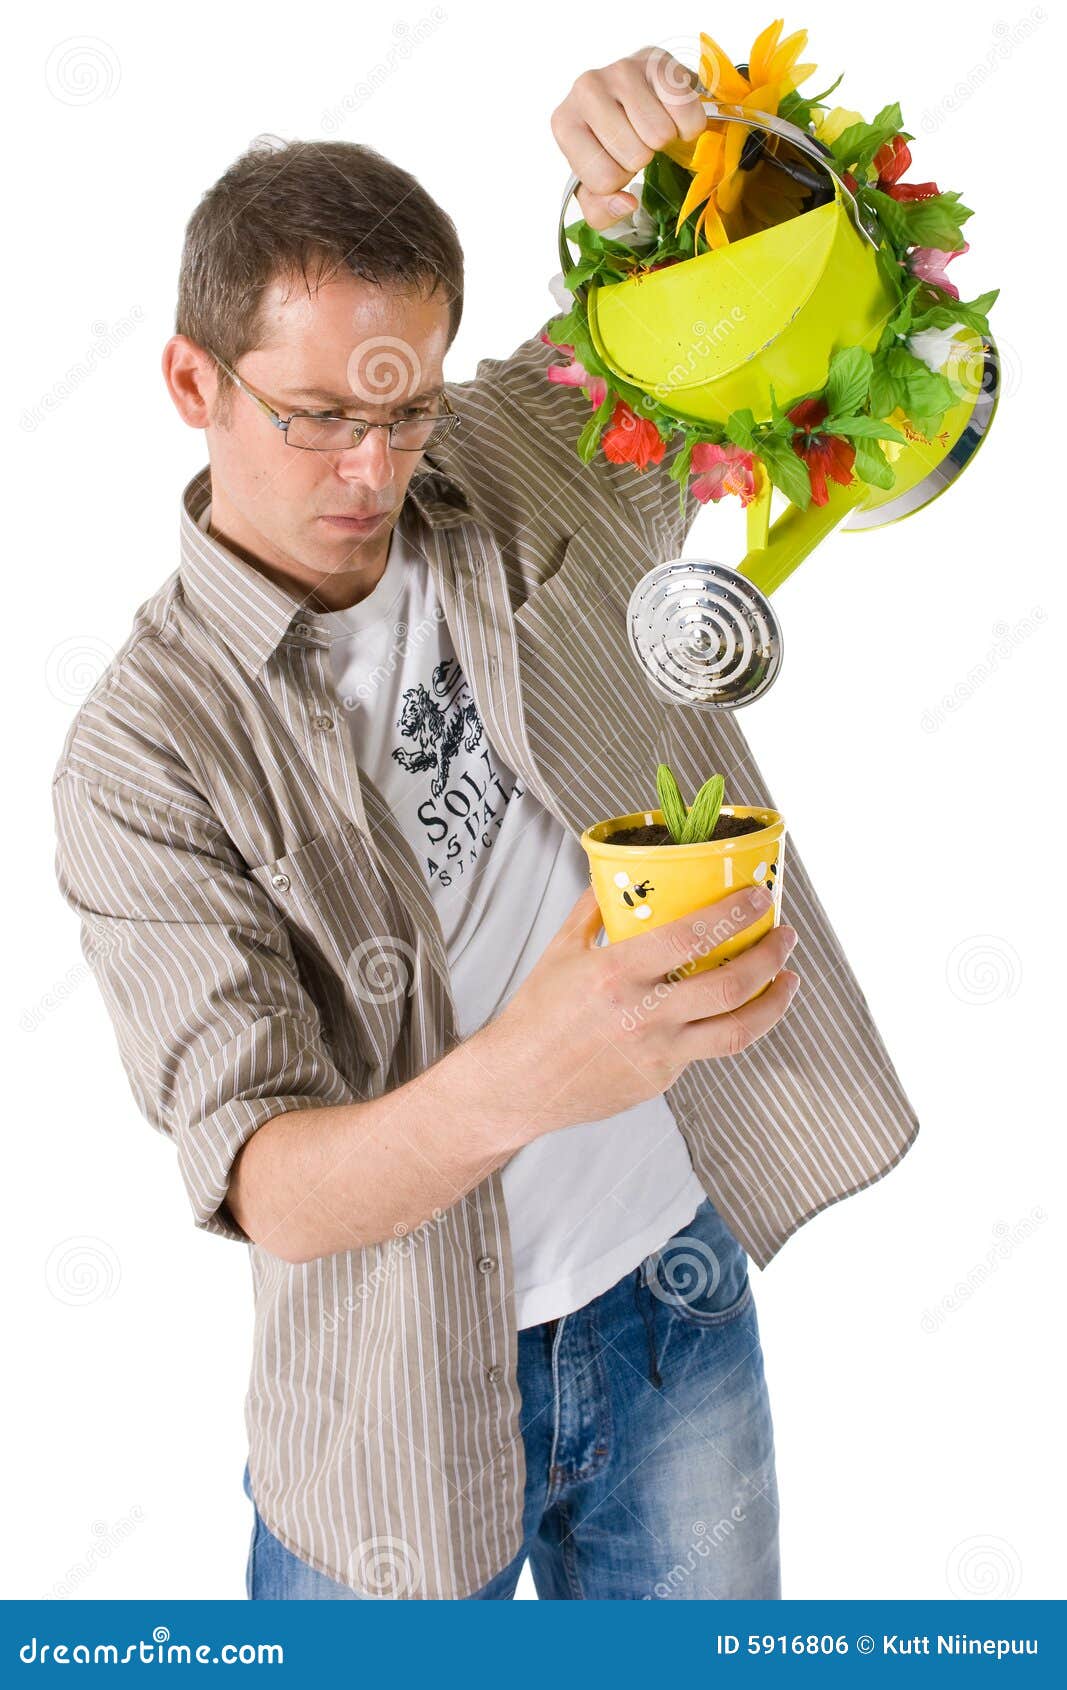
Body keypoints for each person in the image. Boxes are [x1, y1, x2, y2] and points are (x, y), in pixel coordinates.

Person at [52, 47, 919, 1600]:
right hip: (389, 1404)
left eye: (408, 409)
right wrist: (531, 1070)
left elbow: (762, 332)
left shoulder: (504, 450)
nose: (375, 470)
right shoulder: (138, 755)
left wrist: (669, 181)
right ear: (194, 383)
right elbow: (269, 1181)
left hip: (673, 1298)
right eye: (317, 416)